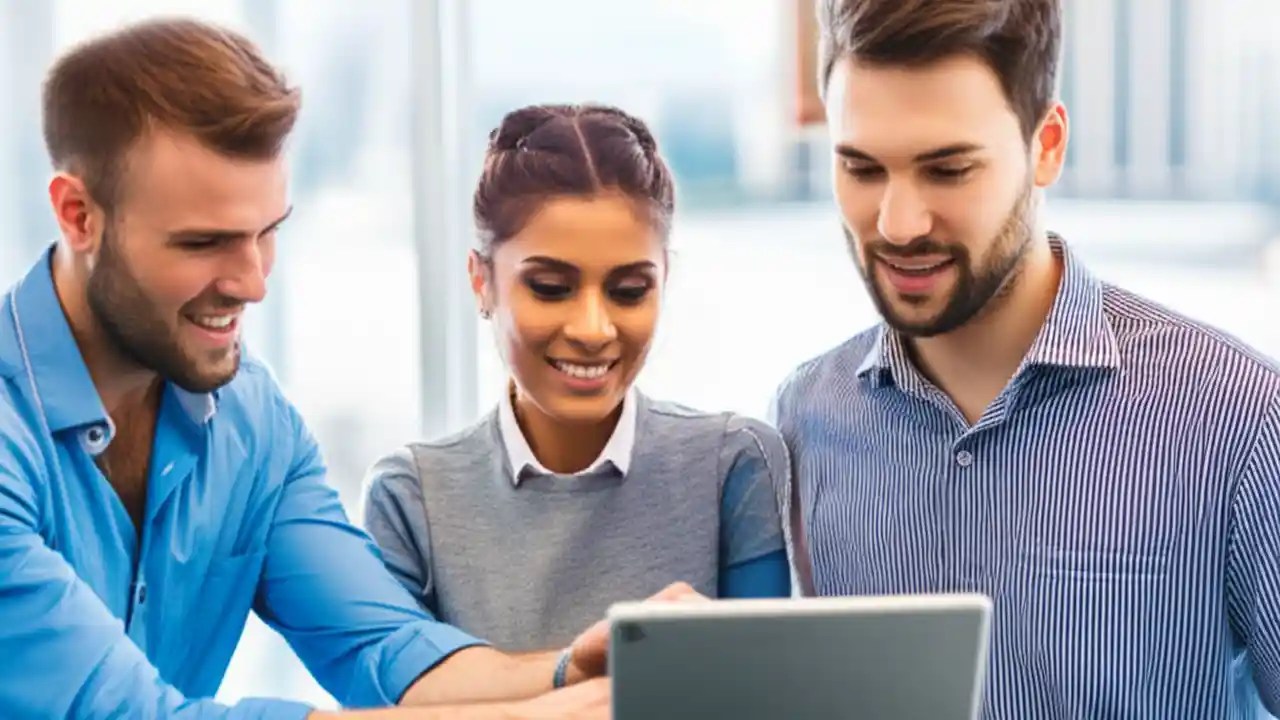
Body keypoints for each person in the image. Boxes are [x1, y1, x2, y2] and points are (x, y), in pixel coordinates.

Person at [0, 18, 695, 719]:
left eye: (267, 233)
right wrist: (529, 716)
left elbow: (385, 650)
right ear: (78, 215)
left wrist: (570, 670)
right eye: (204, 243)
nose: (253, 283)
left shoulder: (251, 420)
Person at [773, 0, 1280, 717]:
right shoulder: (802, 418)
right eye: (861, 168)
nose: (897, 223)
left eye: (948, 170)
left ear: (1046, 145)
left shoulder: (1242, 419)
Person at [362, 103, 794, 653]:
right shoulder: (411, 498)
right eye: (550, 288)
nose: (593, 330)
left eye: (629, 291)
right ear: (481, 282)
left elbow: (763, 686)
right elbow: (404, 695)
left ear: (664, 280)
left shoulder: (733, 464)